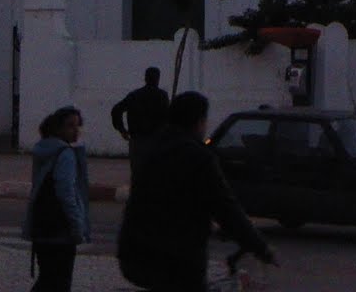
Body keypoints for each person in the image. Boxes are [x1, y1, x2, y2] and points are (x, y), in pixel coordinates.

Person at [117, 91, 274, 292]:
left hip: (135, 253)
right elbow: (226, 208)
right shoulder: (198, 157)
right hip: (175, 259)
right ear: (199, 121)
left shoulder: (152, 149)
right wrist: (261, 248)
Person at [23, 105, 91, 292]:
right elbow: (66, 193)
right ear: (58, 129)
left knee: (47, 279)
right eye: (70, 126)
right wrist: (77, 226)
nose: (75, 130)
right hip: (61, 230)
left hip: (42, 227)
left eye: (77, 126)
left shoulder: (44, 150)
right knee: (59, 282)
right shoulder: (65, 154)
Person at [109, 67, 169, 175]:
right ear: (158, 79)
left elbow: (116, 110)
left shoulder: (134, 95)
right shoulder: (162, 96)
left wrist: (122, 130)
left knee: (138, 174)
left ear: (145, 78)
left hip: (138, 141)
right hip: (157, 142)